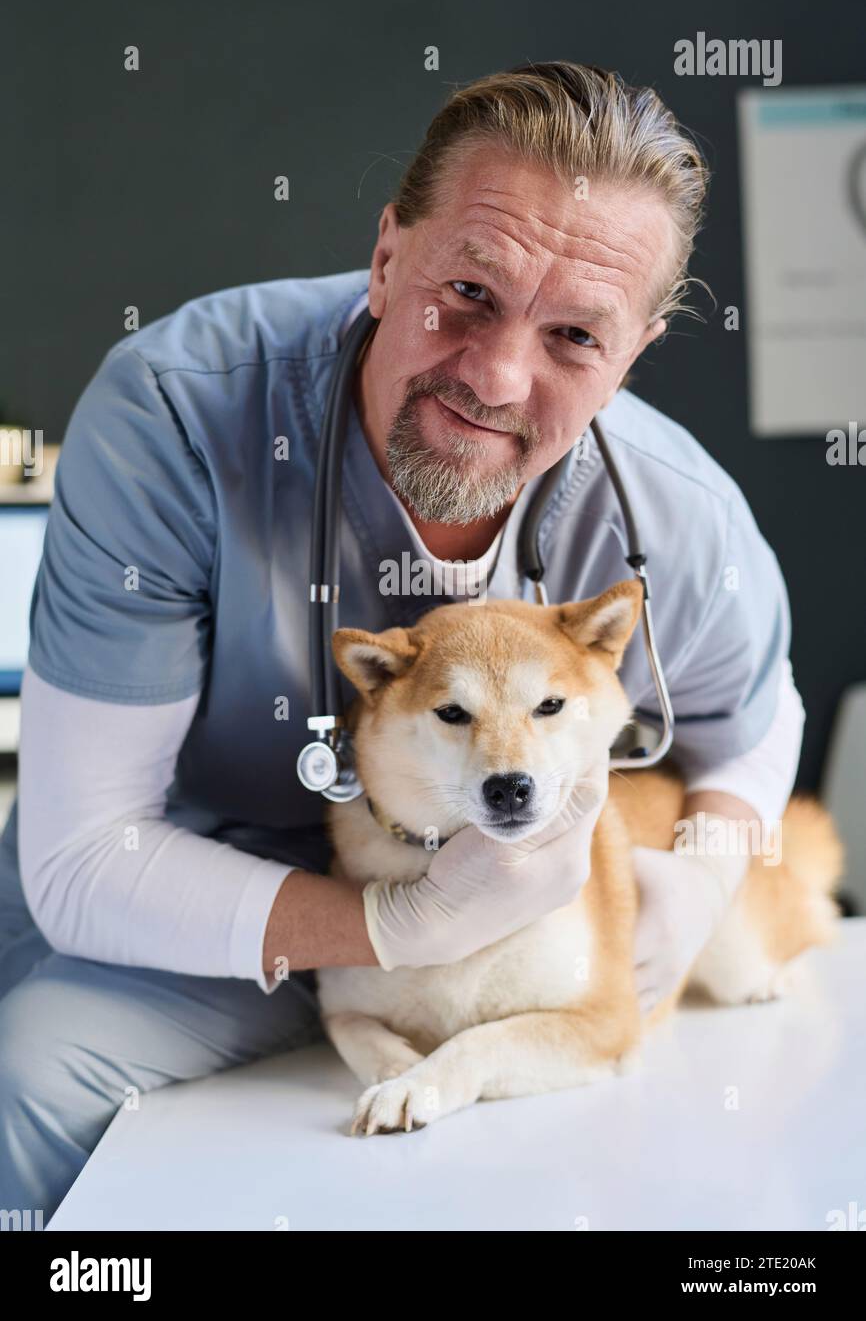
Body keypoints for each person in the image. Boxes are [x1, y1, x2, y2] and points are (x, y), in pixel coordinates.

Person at [0, 61, 803, 1220]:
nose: (494, 375)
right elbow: (83, 861)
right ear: (387, 258)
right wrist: (390, 925)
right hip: (182, 904)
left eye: (576, 334)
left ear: (634, 350)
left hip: (505, 959)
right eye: (467, 292)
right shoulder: (176, 416)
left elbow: (756, 721)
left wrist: (691, 892)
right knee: (26, 1080)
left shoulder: (668, 509)